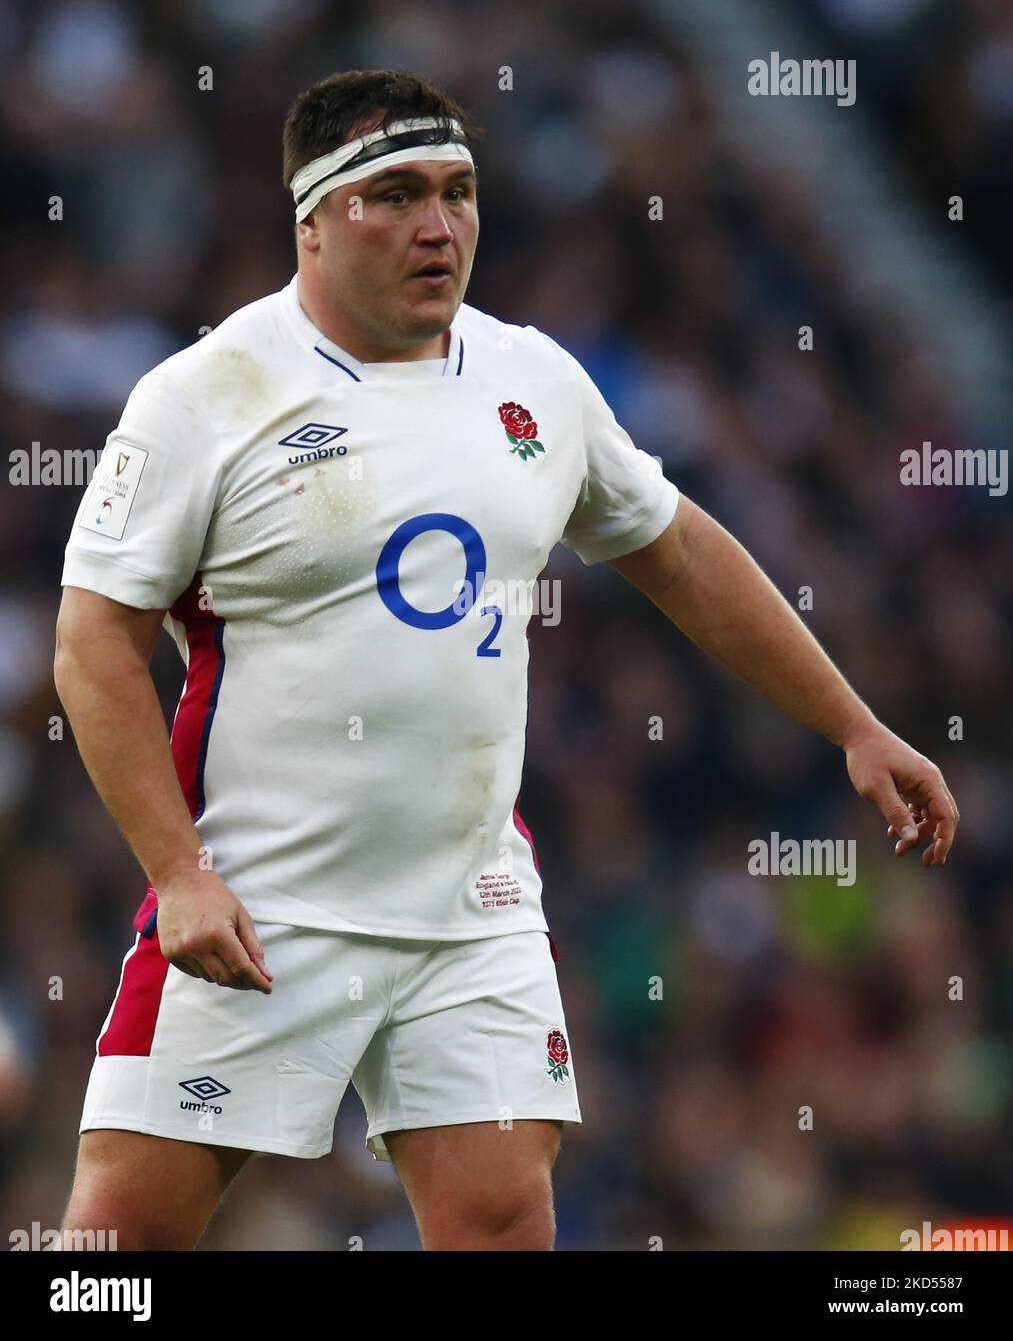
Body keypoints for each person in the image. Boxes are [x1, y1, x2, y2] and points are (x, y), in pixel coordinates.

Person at [53, 68, 959, 1252]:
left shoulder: (533, 380)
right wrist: (177, 872)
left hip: (469, 902)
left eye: (459, 192)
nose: (439, 226)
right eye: (396, 195)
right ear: (312, 220)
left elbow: (677, 550)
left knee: (499, 1223)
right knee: (114, 1251)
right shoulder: (204, 398)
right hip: (260, 901)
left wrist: (851, 722)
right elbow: (93, 643)